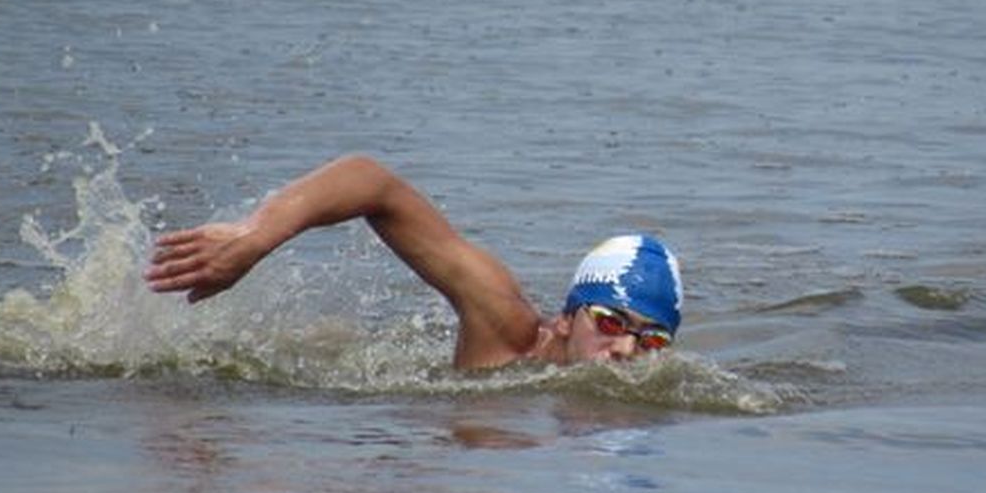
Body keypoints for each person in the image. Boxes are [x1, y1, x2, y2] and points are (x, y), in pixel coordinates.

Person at [144, 154, 684, 370]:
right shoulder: (507, 327)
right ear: (567, 317)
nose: (625, 350)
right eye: (611, 322)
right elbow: (373, 182)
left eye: (651, 339)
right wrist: (253, 237)